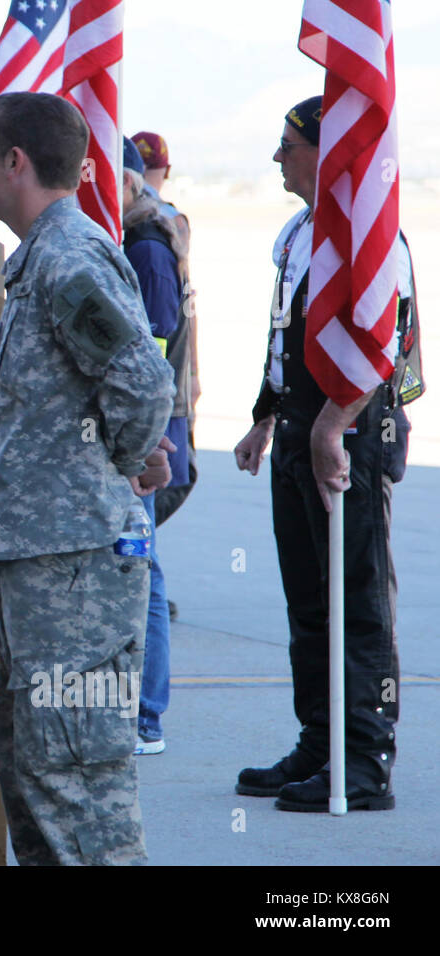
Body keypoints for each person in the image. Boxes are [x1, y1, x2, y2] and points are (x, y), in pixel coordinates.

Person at [0, 92, 174, 865]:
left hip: (76, 566)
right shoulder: (44, 258)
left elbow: (144, 385)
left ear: (17, 162)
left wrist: (118, 463)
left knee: (75, 780)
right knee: (37, 774)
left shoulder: (68, 258)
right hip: (45, 562)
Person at [232, 96, 410, 813]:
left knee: (357, 601)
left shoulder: (369, 238)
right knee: (309, 600)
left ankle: (364, 760)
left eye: (288, 144)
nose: (277, 157)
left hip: (349, 439)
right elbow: (286, 336)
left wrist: (333, 426)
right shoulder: (297, 233)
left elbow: (381, 348)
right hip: (302, 432)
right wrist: (264, 417)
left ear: (325, 151)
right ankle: (322, 740)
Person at [121, 137, 187, 756]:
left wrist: (146, 439)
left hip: (151, 438)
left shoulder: (145, 250)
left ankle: (147, 715)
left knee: (144, 570)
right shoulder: (132, 239)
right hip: (145, 436)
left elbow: (154, 350)